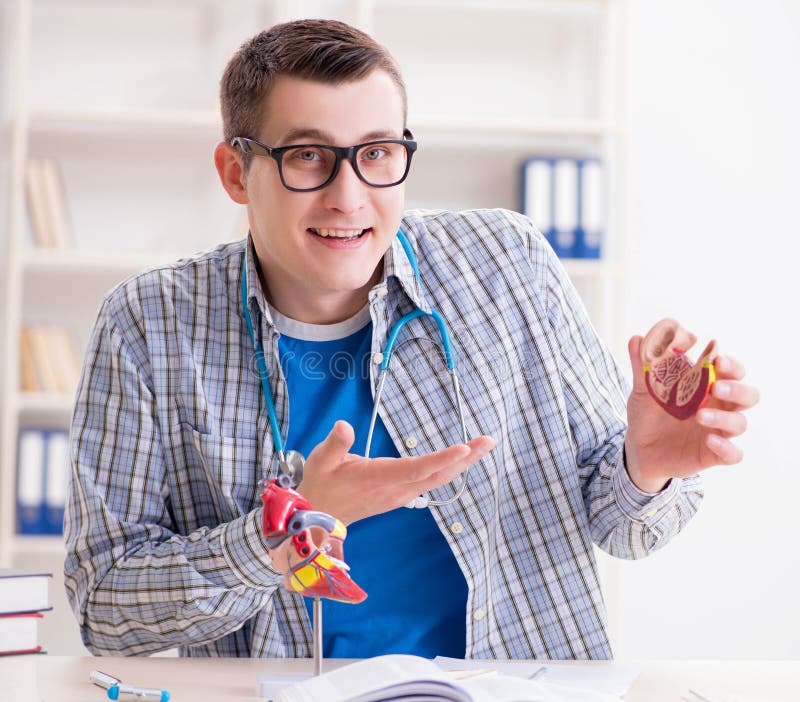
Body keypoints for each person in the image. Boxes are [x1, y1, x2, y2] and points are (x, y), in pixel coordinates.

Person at [64, 19, 758, 660]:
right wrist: (286, 533)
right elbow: (102, 607)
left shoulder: (505, 266)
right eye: (308, 157)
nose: (349, 195)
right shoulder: (148, 323)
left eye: (378, 153)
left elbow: (626, 528)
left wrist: (647, 465)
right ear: (235, 172)